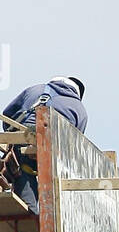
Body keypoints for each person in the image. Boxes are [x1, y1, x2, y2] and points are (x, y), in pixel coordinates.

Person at [1, 78, 87, 214]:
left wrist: (12, 140)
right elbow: (74, 146)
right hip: (54, 148)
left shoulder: (35, 89)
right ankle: (46, 222)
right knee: (52, 188)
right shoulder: (79, 108)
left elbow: (7, 115)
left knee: (23, 173)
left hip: (24, 137)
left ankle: (30, 217)